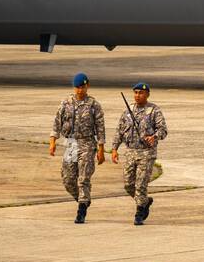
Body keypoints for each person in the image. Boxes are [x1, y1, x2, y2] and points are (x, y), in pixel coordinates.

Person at [49, 72, 106, 223]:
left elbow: (100, 127)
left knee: (83, 178)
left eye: (82, 87)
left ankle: (81, 209)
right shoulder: (66, 103)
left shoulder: (94, 105)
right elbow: (57, 122)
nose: (80, 90)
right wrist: (53, 141)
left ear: (87, 86)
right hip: (71, 144)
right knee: (68, 179)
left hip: (87, 143)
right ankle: (83, 199)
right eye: (77, 87)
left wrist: (101, 149)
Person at [110, 81, 168, 226]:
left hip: (146, 153)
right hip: (130, 152)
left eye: (141, 93)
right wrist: (115, 149)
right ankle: (145, 201)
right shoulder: (128, 111)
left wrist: (154, 137)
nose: (137, 95)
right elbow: (120, 130)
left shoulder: (154, 111)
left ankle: (139, 212)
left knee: (141, 184)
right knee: (129, 184)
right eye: (135, 93)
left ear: (147, 94)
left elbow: (163, 130)